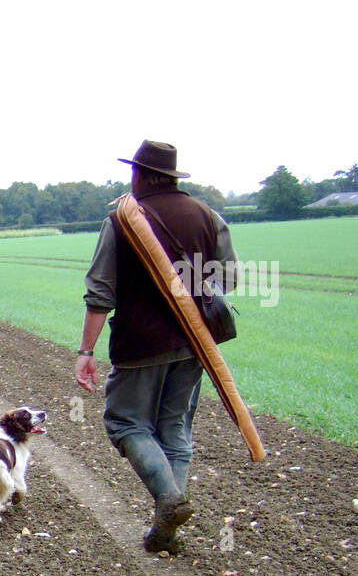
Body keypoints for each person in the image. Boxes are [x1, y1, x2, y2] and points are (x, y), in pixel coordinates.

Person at [74, 140, 239, 553]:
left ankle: (169, 498)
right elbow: (230, 281)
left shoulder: (122, 220)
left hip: (139, 342)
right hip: (195, 344)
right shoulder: (208, 215)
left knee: (127, 423)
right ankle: (167, 529)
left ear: (141, 174)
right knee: (175, 428)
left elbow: (100, 292)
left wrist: (86, 351)